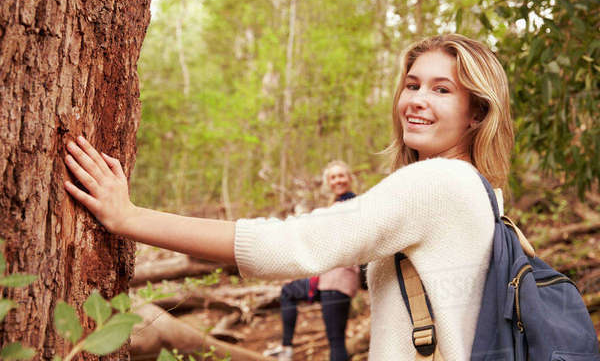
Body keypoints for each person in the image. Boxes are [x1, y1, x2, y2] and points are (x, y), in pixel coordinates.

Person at [64, 34, 513, 360]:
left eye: (441, 90)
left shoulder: (435, 184)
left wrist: (129, 217)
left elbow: (289, 245)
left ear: (476, 112)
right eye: (412, 85)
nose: (416, 99)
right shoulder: (482, 191)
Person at [264, 160, 360, 361]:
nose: (338, 180)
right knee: (288, 291)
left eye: (341, 175)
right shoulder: (337, 205)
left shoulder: (351, 205)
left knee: (336, 341)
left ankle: (287, 349)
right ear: (328, 182)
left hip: (339, 280)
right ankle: (286, 348)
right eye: (333, 177)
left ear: (350, 178)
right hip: (326, 279)